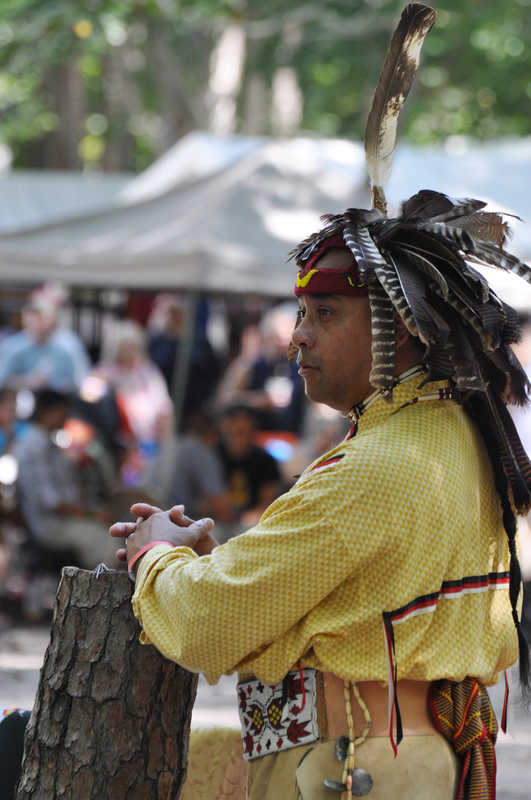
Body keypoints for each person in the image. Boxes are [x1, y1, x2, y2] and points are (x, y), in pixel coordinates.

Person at [110, 6, 531, 799]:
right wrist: (224, 564)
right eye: (301, 313)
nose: (296, 337)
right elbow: (341, 600)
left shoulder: (380, 467)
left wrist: (156, 555)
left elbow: (206, 627)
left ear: (401, 331)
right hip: (389, 761)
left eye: (324, 314)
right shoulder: (451, 435)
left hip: (355, 769)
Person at [0, 284, 90, 392]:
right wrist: (27, 382)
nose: (40, 322)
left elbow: (82, 379)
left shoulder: (68, 344)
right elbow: (3, 378)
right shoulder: (13, 345)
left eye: (45, 316)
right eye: (35, 315)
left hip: (59, 404)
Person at [217, 406, 282, 527]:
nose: (237, 439)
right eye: (232, 433)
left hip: (251, 521)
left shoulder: (265, 460)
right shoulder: (213, 456)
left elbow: (268, 503)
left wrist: (252, 517)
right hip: (217, 520)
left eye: (242, 432)